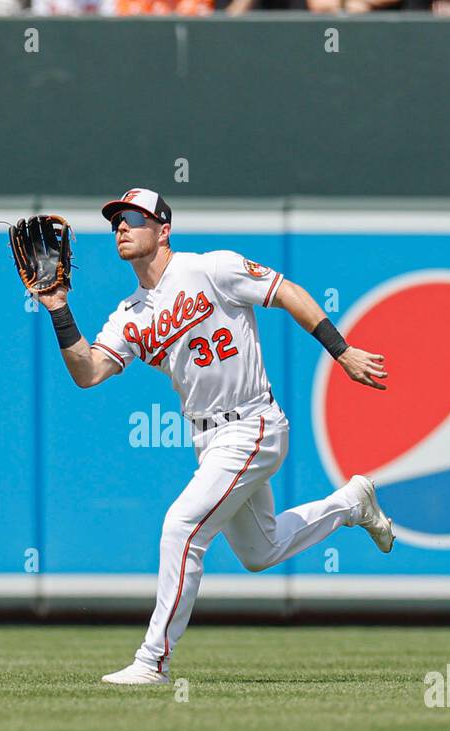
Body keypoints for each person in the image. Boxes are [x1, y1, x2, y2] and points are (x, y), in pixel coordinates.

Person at [33, 188, 396, 685]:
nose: (121, 226)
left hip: (253, 423)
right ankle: (352, 503)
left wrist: (342, 350)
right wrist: (58, 309)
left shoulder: (210, 268)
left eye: (134, 218)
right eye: (116, 219)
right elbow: (88, 372)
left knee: (181, 528)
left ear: (163, 230)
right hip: (208, 441)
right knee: (260, 551)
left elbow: (286, 292)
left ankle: (151, 663)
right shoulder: (130, 314)